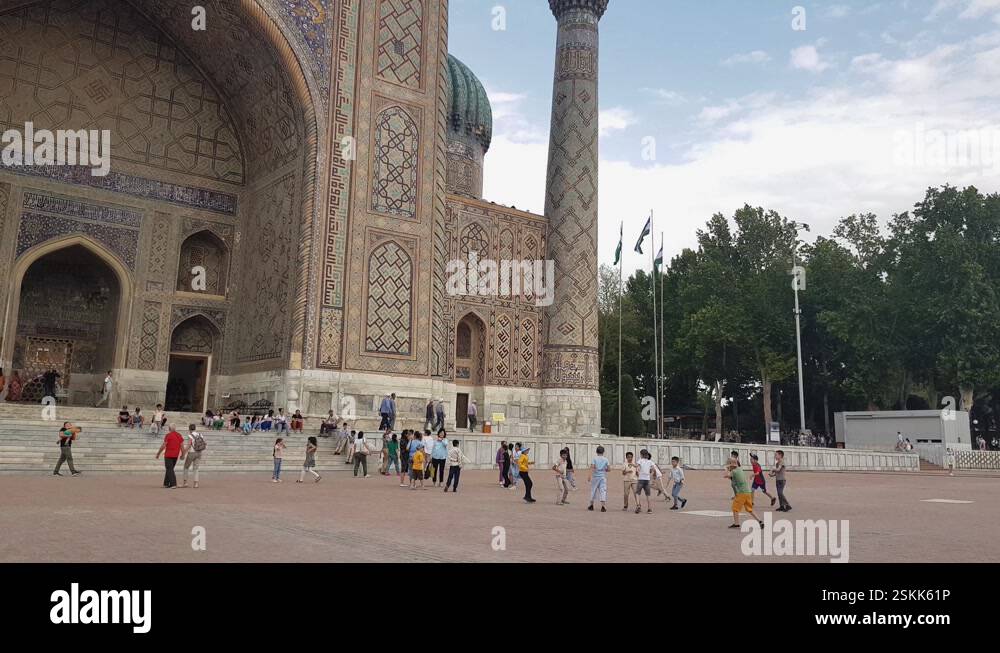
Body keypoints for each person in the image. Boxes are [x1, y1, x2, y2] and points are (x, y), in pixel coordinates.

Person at [725, 459, 763, 529]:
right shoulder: (740, 469)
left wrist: (726, 469)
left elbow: (726, 475)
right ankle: (760, 521)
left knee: (735, 508)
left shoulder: (734, 471)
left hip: (742, 493)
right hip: (748, 492)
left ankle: (736, 524)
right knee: (749, 509)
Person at [156, 424, 184, 489]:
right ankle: (166, 484)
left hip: (168, 455)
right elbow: (182, 446)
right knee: (169, 469)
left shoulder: (168, 435)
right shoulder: (179, 435)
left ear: (169, 429)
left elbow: (163, 445)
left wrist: (158, 453)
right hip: (176, 455)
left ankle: (173, 484)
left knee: (169, 469)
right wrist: (183, 454)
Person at [634, 449, 660, 514]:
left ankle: (638, 505)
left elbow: (637, 466)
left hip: (641, 479)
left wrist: (632, 464)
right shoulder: (650, 461)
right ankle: (649, 508)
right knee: (648, 495)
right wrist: (651, 475)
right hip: (647, 480)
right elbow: (653, 469)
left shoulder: (640, 460)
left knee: (637, 493)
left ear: (641, 455)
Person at [182, 423, 206, 489]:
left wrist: (183, 452)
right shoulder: (200, 435)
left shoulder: (190, 435)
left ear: (189, 429)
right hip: (199, 452)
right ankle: (196, 483)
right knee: (196, 468)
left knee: (186, 467)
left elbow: (189, 445)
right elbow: (204, 443)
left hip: (192, 452)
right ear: (195, 428)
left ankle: (185, 482)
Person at [588, 446, 610, 512]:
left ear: (596, 451)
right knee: (603, 491)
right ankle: (603, 506)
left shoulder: (594, 459)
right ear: (603, 452)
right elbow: (609, 469)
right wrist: (604, 469)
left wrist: (589, 476)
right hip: (602, 477)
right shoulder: (606, 459)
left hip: (595, 477)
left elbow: (592, 467)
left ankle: (591, 505)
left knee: (593, 490)